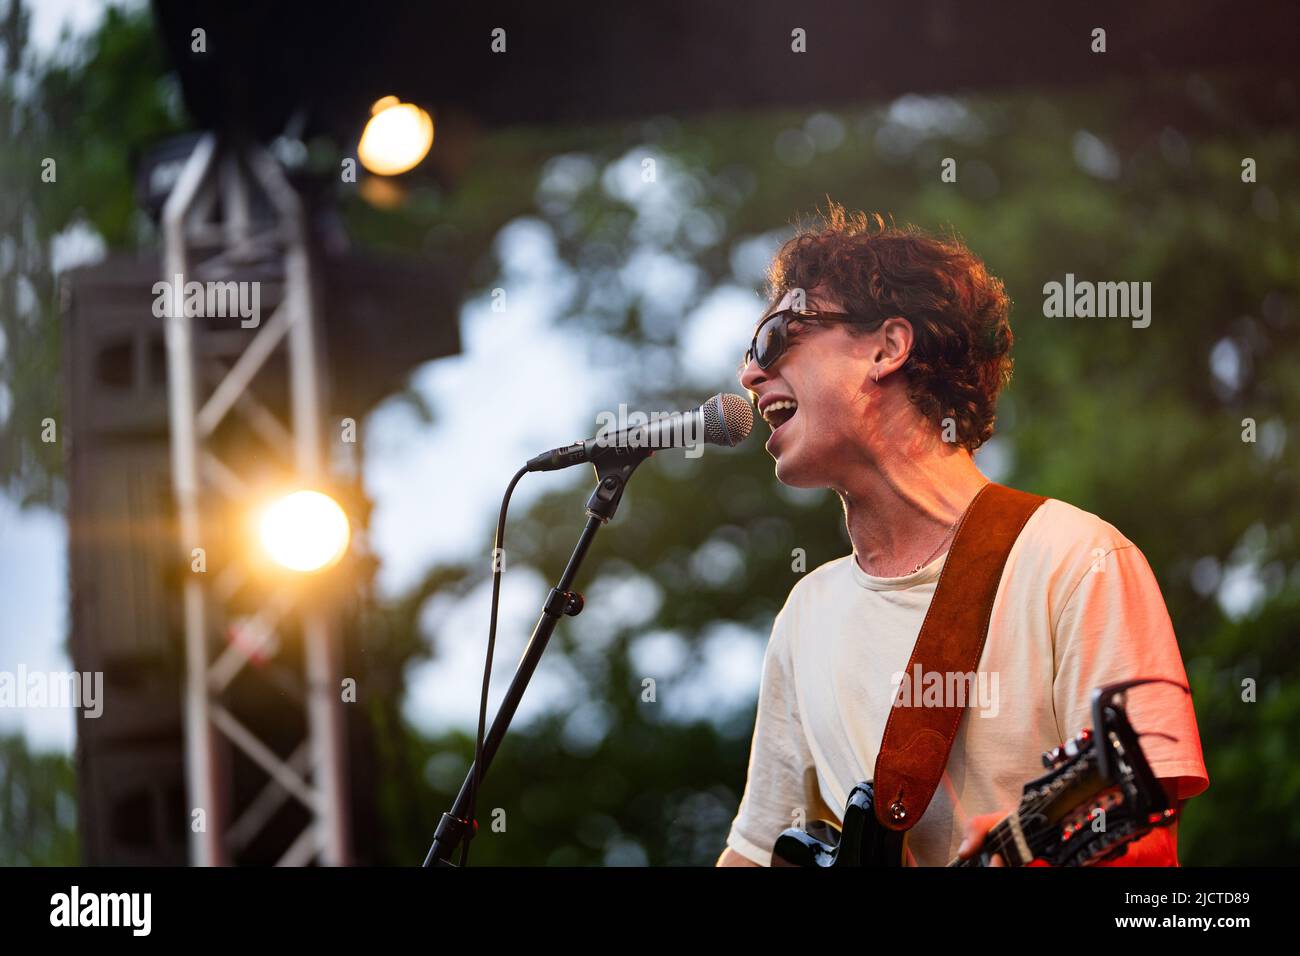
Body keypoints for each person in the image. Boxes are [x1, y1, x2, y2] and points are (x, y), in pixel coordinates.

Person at [717, 203, 1208, 867]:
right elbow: (753, 855)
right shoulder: (807, 612)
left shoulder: (1076, 559)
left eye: (776, 338)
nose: (749, 374)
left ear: (887, 348)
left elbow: (1145, 845)